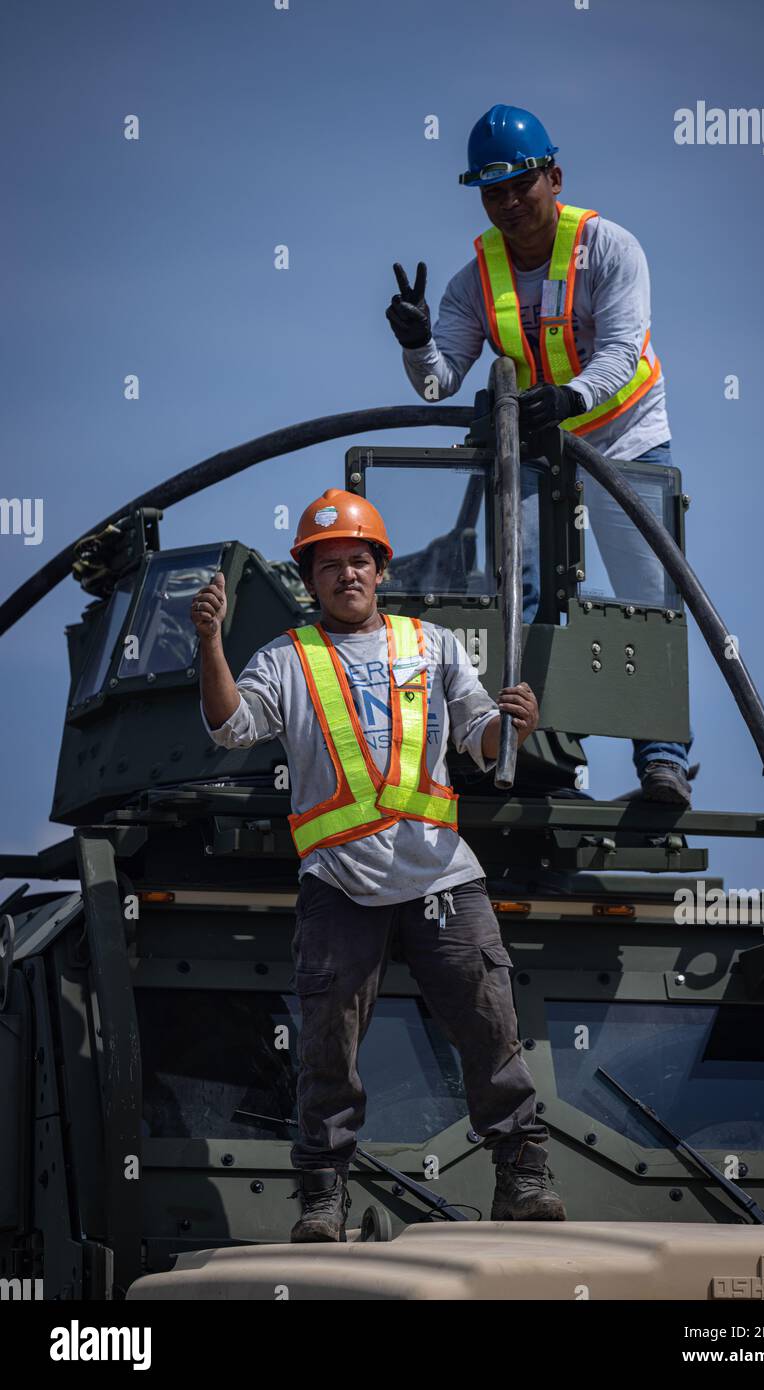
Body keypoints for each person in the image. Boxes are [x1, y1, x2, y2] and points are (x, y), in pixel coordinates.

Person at [191, 488, 566, 1240]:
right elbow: (231, 727)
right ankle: (322, 1198)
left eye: (357, 560)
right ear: (310, 581)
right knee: (328, 1048)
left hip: (441, 878)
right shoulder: (286, 659)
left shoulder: (430, 645)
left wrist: (512, 727)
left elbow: (479, 737)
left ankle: (523, 1176)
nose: (346, 575)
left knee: (491, 1029)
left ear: (380, 569)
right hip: (338, 884)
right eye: (328, 566)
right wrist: (209, 645)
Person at [386, 103, 693, 806]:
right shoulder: (475, 281)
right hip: (534, 452)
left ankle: (661, 762)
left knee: (651, 601)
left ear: (553, 178)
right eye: (493, 192)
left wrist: (567, 398)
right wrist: (414, 342)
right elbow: (439, 384)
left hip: (627, 442)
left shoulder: (610, 249)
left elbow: (620, 353)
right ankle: (531, 749)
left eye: (521, 185)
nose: (508, 203)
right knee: (516, 593)